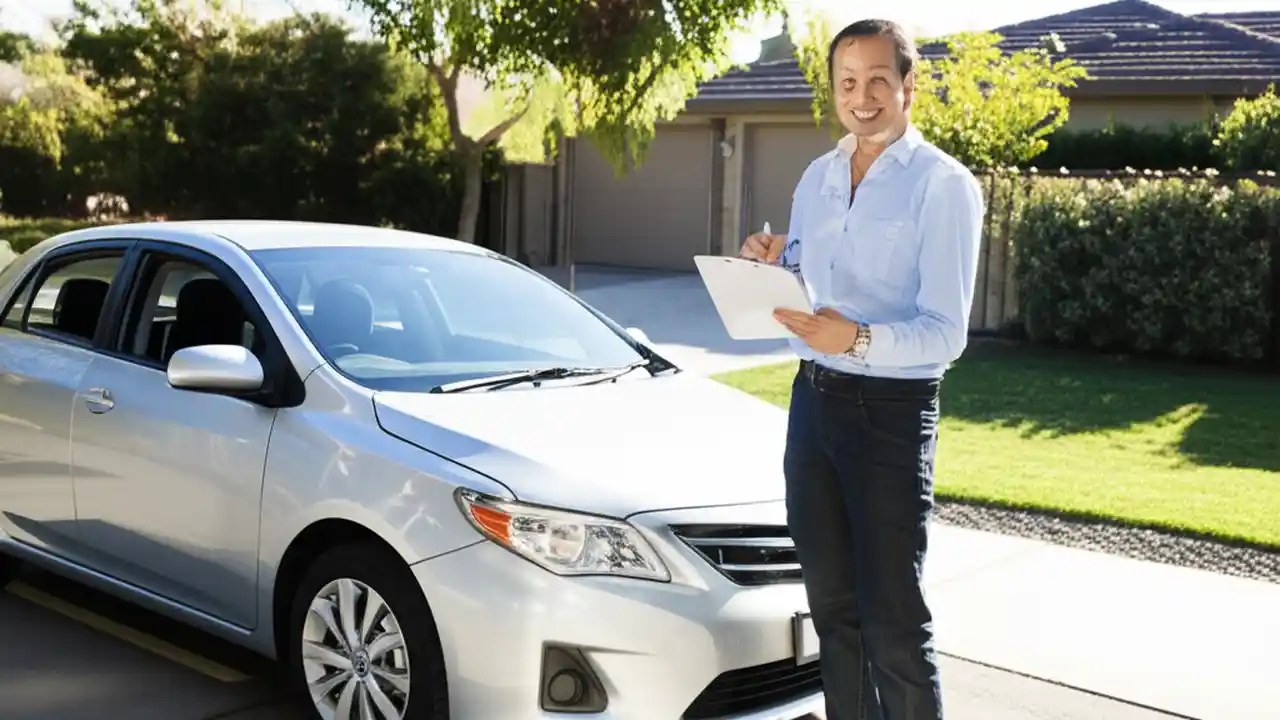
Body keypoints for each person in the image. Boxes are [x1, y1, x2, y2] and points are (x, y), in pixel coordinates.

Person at [740, 18, 985, 720]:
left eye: (879, 80)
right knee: (833, 614)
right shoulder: (816, 179)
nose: (863, 96)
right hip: (812, 407)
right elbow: (808, 280)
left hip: (890, 419)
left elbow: (946, 334)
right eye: (848, 82)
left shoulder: (943, 186)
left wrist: (856, 340)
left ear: (908, 86)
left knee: (893, 623)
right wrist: (773, 263)